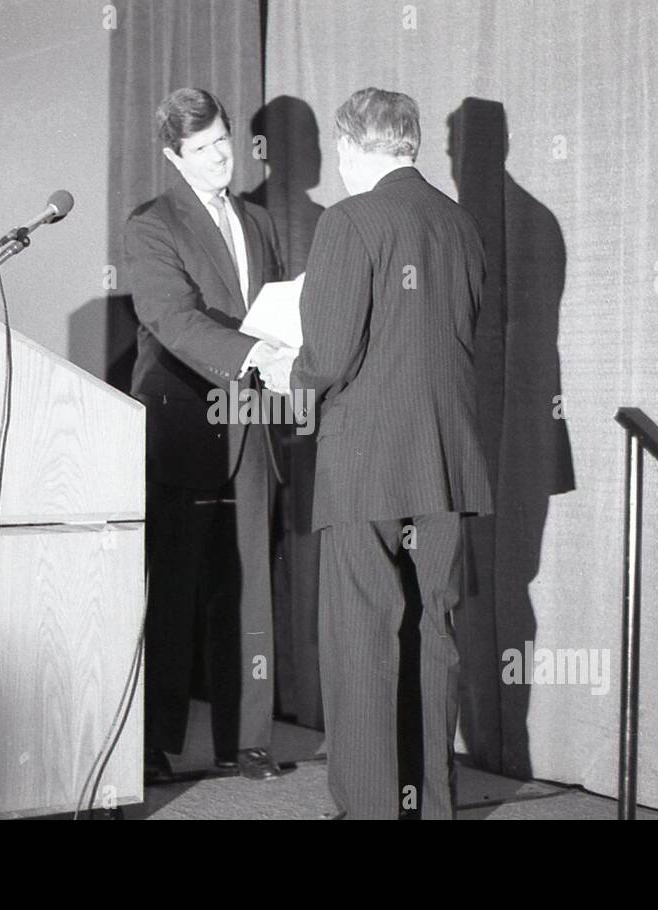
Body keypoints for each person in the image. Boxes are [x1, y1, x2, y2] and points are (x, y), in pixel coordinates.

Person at [282, 87, 494, 818]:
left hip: (367, 463)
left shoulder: (349, 222)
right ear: (409, 143)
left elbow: (330, 355)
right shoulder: (460, 223)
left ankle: (374, 807)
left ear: (350, 147)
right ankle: (429, 804)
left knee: (363, 637)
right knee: (435, 633)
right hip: (446, 463)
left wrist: (287, 371)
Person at [123, 87, 292, 782]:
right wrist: (253, 353)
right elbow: (170, 317)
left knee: (249, 590)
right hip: (184, 426)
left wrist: (289, 348)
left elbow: (277, 307)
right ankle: (153, 744)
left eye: (223, 139)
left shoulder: (257, 222)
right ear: (173, 156)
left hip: (253, 427)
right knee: (171, 592)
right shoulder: (152, 224)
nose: (219, 155)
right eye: (201, 149)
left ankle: (246, 740)